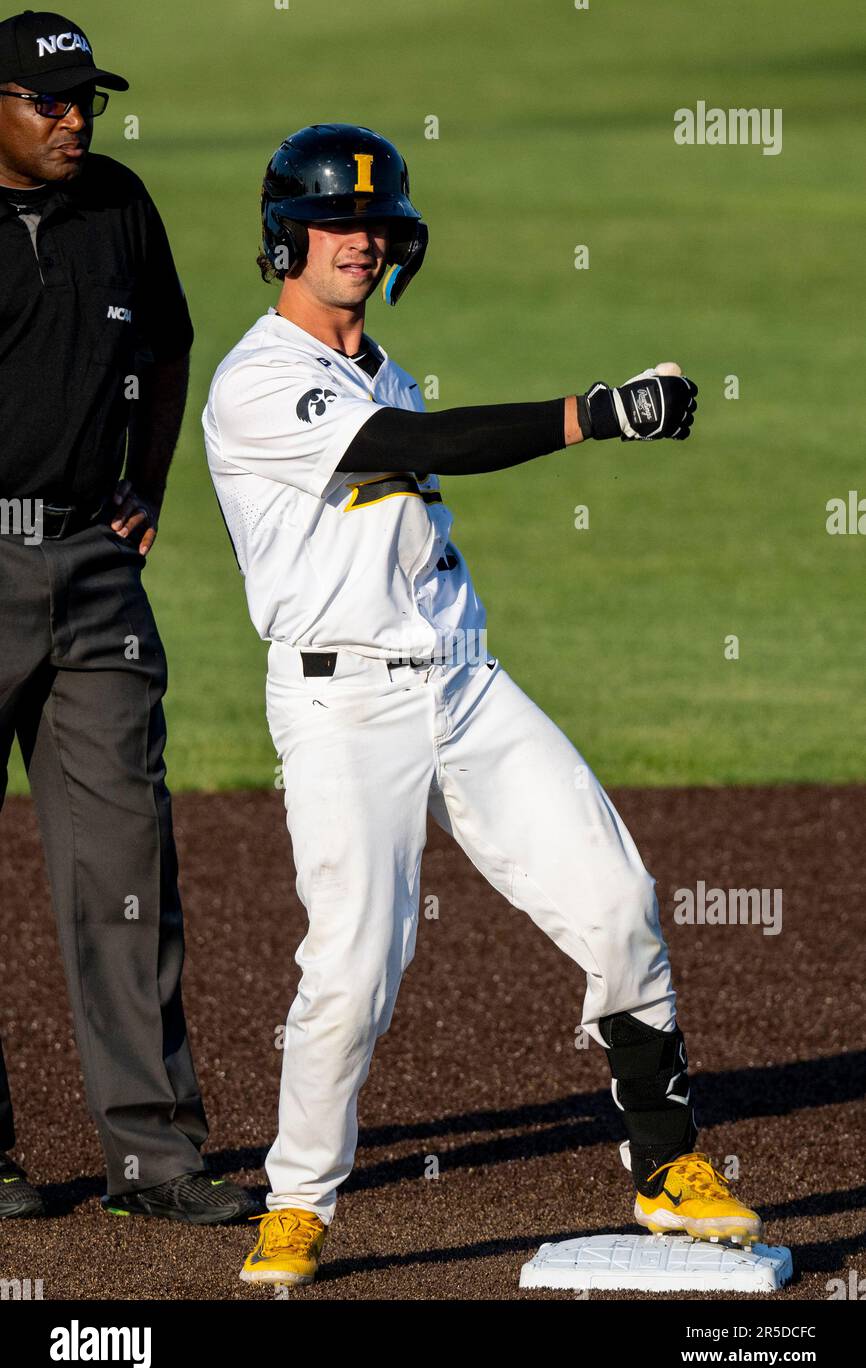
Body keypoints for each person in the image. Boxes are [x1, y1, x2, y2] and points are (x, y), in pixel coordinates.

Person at [203, 122, 762, 1286]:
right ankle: (299, 1200)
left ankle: (665, 1164)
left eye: (371, 222)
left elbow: (409, 446)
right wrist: (591, 414)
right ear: (284, 239)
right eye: (331, 223)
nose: (356, 241)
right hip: (341, 707)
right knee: (354, 966)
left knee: (618, 900)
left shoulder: (378, 362)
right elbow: (415, 442)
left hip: (461, 683)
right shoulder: (259, 380)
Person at [0, 10, 252, 1224]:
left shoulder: (118, 203)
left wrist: (142, 483)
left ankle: (152, 1158)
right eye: (47, 102)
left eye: (84, 100)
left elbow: (166, 337)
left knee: (125, 868)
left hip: (95, 574)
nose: (72, 120)